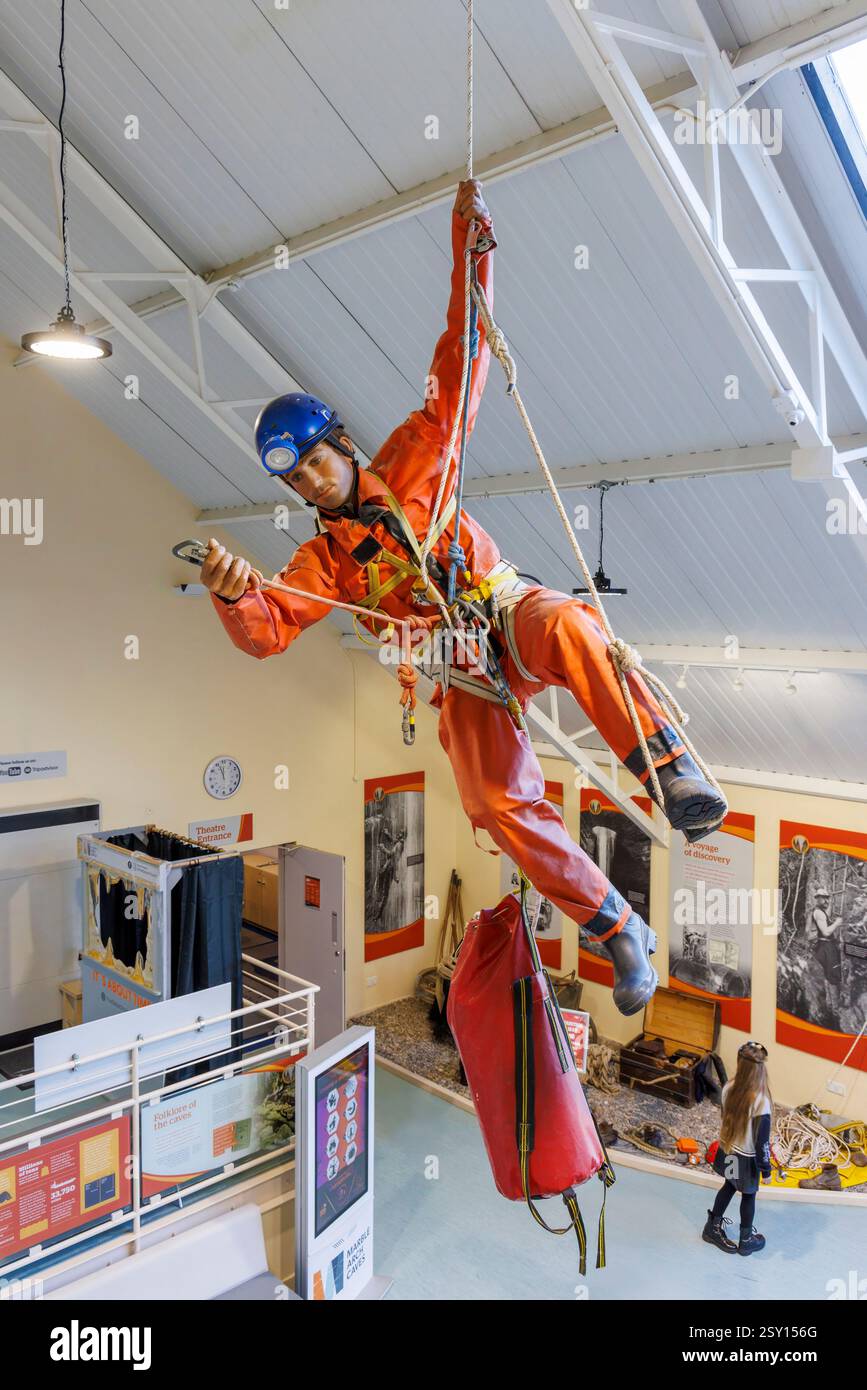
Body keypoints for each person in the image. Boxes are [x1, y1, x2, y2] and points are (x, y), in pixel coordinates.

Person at [200, 178, 727, 1017]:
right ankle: (615, 922)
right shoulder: (324, 561)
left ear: (340, 443)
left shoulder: (417, 455)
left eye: (316, 463)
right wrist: (232, 595)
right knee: (488, 800)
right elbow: (269, 628)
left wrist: (468, 250)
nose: (313, 483)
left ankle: (671, 773)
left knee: (567, 626)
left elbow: (465, 351)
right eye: (299, 479)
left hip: (502, 614)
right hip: (458, 669)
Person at [703, 1041, 772, 1256]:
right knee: (749, 1195)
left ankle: (712, 1228)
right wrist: (766, 1169)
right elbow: (762, 1144)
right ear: (759, 1069)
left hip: (729, 1150)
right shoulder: (761, 1102)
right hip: (747, 1159)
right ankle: (746, 1239)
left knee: (730, 1186)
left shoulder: (728, 1088)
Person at [810, 888, 842, 1017]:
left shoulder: (821, 912)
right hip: (826, 947)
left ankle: (830, 1007)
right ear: (817, 899)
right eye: (823, 898)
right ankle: (836, 1012)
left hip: (825, 946)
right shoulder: (819, 913)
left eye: (827, 897)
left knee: (829, 976)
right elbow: (826, 932)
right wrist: (837, 923)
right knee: (833, 976)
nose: (826, 900)